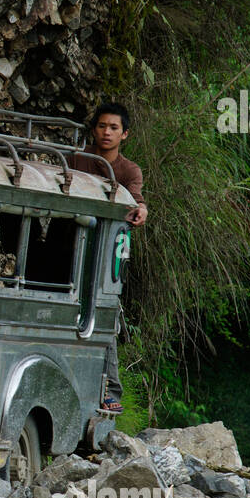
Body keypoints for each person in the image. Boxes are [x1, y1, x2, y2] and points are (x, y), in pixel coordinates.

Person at [71, 102, 146, 414]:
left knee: (106, 316)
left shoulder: (129, 170)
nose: (107, 132)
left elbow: (137, 200)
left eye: (114, 128)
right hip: (71, 247)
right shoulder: (76, 159)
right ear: (94, 130)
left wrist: (141, 211)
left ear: (124, 134)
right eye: (102, 126)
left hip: (108, 255)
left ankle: (109, 390)